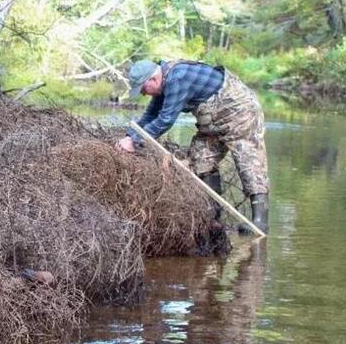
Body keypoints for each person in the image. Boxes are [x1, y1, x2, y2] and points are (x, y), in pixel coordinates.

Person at [115, 59, 269, 231]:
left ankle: (260, 222)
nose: (144, 94)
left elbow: (165, 120)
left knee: (247, 159)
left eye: (143, 89)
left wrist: (135, 141)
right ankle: (214, 218)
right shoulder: (164, 82)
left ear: (153, 80)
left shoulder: (177, 78)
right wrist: (129, 136)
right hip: (213, 121)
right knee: (200, 159)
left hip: (240, 112)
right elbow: (151, 114)